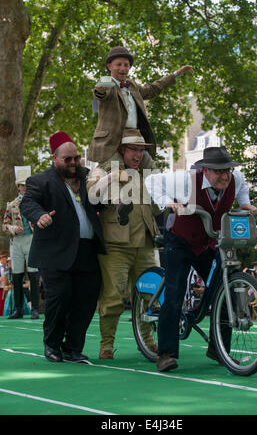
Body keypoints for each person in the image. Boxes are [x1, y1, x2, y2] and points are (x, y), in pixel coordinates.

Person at [144, 145, 257, 372]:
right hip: (181, 240)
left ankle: (219, 349)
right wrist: (167, 202)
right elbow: (152, 181)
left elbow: (242, 187)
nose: (225, 175)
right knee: (175, 292)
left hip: (210, 241)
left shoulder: (235, 179)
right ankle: (165, 353)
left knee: (223, 291)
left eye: (227, 170)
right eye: (218, 171)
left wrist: (244, 202)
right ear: (205, 170)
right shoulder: (186, 180)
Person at [20, 131, 105, 363]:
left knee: (86, 301)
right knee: (58, 298)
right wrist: (40, 216)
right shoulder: (40, 181)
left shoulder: (89, 177)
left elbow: (103, 202)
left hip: (87, 250)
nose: (73, 163)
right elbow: (28, 203)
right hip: (55, 251)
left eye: (76, 158)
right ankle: (52, 345)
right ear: (54, 159)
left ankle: (73, 347)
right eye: (67, 159)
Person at [88, 128, 161, 359]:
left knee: (150, 295)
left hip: (146, 242)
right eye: (133, 149)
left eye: (141, 150)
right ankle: (106, 345)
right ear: (121, 149)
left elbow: (159, 204)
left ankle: (148, 341)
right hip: (116, 244)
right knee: (113, 296)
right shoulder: (105, 167)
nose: (138, 154)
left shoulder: (147, 172)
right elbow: (91, 194)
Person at [87, 45, 193, 171]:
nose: (123, 68)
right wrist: (100, 88)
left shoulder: (132, 85)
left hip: (133, 140)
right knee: (118, 176)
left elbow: (154, 88)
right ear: (110, 67)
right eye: (118, 64)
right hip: (112, 143)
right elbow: (100, 92)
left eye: (126, 65)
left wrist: (177, 74)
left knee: (152, 172)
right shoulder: (107, 82)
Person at [2, 168, 40, 319]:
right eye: (22, 185)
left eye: (26, 185)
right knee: (17, 276)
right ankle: (18, 309)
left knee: (34, 274)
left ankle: (35, 308)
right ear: (18, 187)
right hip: (17, 241)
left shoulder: (35, 202)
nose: (24, 188)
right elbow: (4, 225)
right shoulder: (11, 205)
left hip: (31, 239)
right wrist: (13, 228)